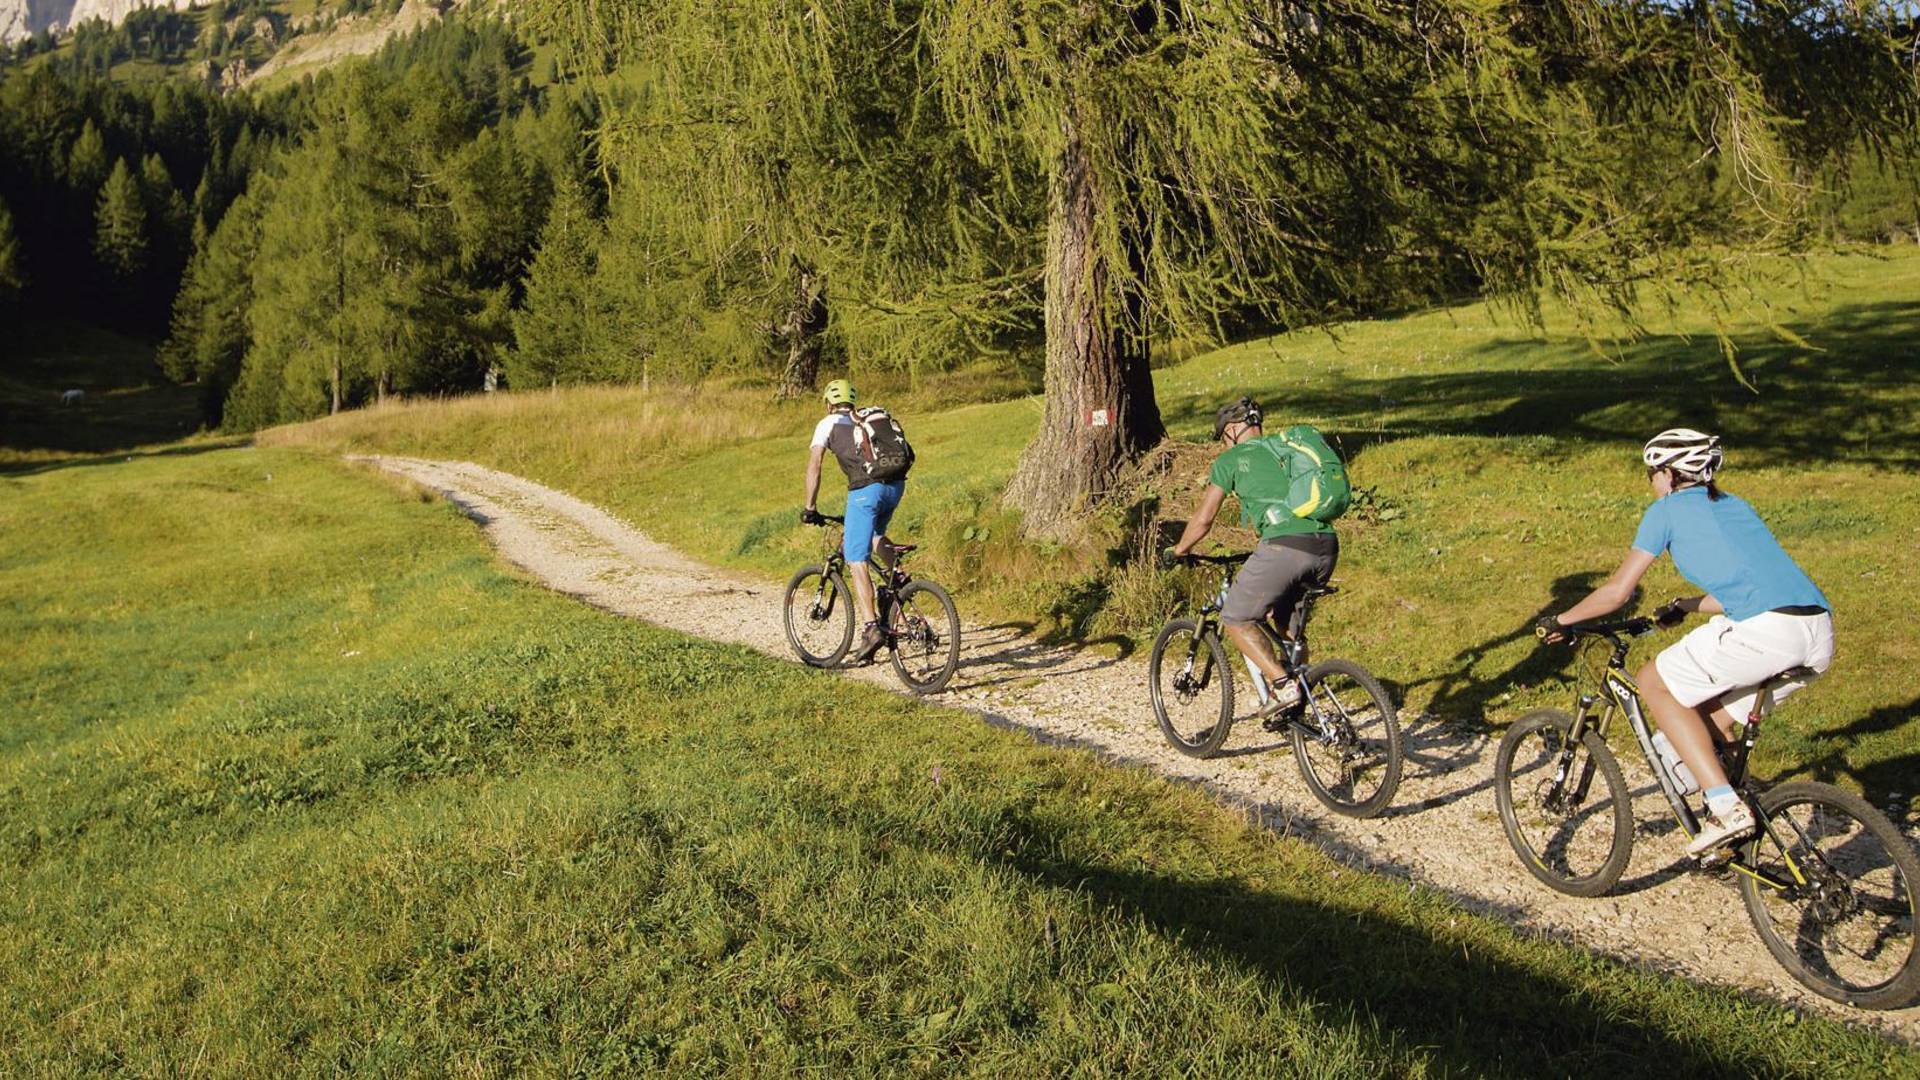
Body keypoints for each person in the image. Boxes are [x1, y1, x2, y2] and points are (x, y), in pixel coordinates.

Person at [1539, 428, 1833, 856]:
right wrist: (1687, 606)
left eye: (1652, 473)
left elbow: (1618, 592)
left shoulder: (1666, 511)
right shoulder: (1735, 506)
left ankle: (1725, 806)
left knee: (1653, 682)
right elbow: (1749, 585)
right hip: (1816, 631)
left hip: (1766, 632)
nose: (1651, 482)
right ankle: (1738, 814)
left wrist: (1561, 620)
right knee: (1711, 720)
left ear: (1671, 475)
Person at [1167, 397, 1340, 715]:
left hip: (1285, 547)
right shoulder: (1283, 448)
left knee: (1236, 617)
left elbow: (1204, 520)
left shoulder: (1231, 459)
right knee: (1287, 625)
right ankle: (1303, 694)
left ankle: (1283, 687)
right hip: (1326, 544)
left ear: (1232, 430)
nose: (1223, 444)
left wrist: (1179, 550)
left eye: (1222, 437)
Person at [801, 379, 909, 662]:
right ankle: (898, 577)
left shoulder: (827, 423)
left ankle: (871, 627)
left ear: (828, 404)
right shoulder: (864, 420)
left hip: (865, 491)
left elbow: (815, 465)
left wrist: (810, 506)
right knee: (872, 534)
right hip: (895, 486)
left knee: (855, 556)